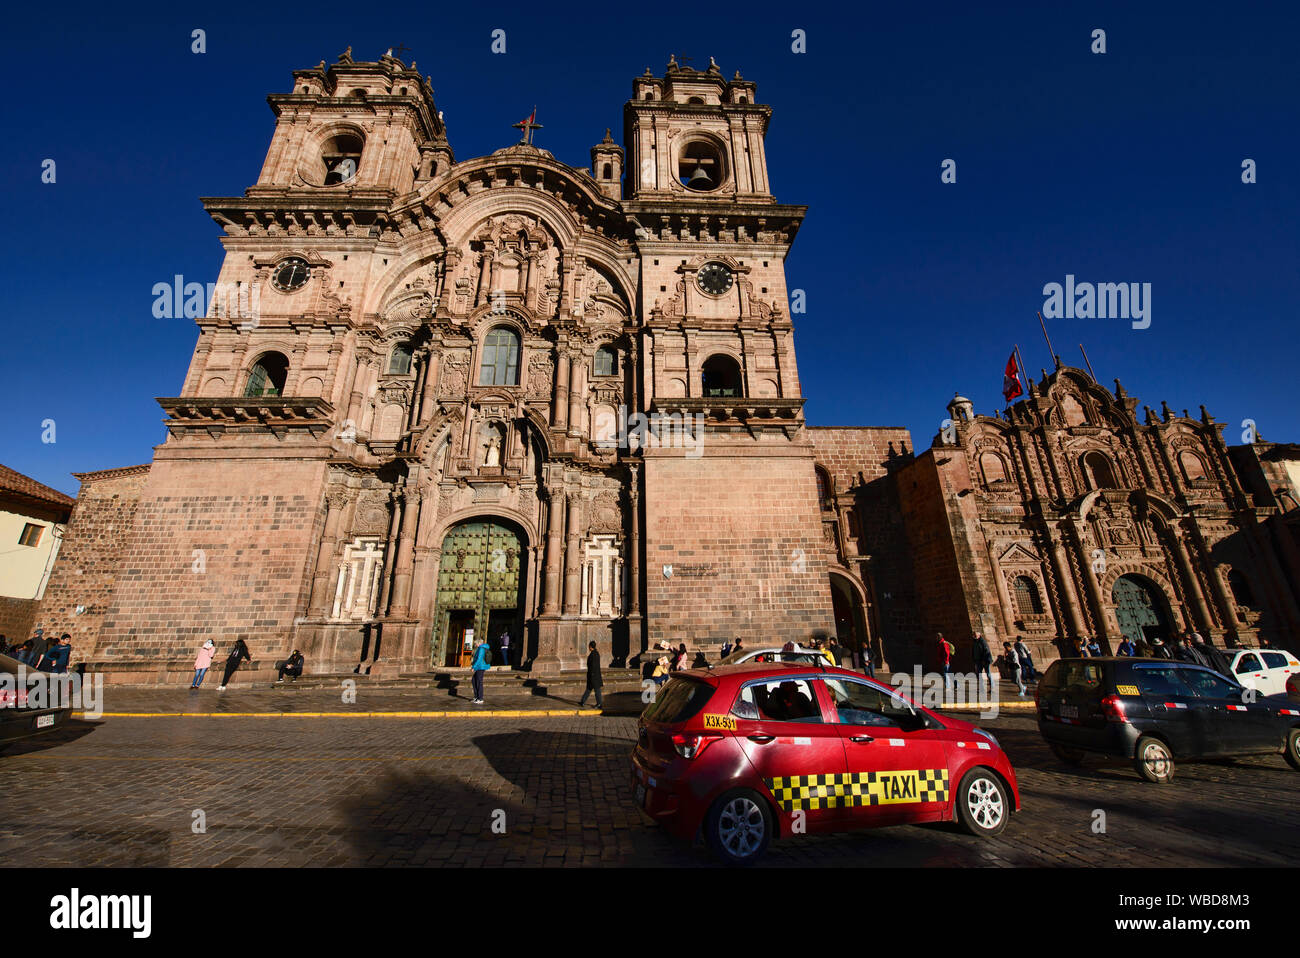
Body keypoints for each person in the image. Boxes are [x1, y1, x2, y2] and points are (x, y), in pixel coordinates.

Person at [578, 641, 603, 708]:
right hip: (594, 675)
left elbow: (593, 666)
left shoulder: (593, 654)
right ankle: (582, 701)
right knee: (589, 689)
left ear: (590, 647)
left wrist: (592, 675)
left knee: (597, 690)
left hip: (594, 676)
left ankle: (599, 704)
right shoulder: (596, 653)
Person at [971, 633, 993, 697]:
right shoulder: (975, 642)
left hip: (984, 661)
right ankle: (982, 688)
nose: (974, 636)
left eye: (975, 635)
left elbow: (986, 651)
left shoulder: (983, 642)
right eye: (974, 635)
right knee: (979, 674)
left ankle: (992, 687)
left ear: (979, 636)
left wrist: (984, 660)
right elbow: (973, 651)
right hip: (978, 661)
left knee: (988, 674)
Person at [470, 636, 490, 704]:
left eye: (475, 643)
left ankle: (480, 698)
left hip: (481, 667)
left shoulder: (481, 649)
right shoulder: (481, 648)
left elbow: (479, 659)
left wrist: (474, 667)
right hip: (480, 666)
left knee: (479, 682)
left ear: (478, 643)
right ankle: (476, 697)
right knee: (474, 680)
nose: (475, 645)